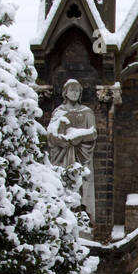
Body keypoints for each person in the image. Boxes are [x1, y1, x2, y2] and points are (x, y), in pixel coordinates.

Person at [47, 79, 97, 225]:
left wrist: (79, 136)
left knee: (82, 183)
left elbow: (92, 133)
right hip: (62, 156)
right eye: (71, 90)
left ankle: (81, 215)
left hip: (82, 156)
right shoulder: (59, 112)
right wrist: (63, 140)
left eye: (77, 91)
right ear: (65, 93)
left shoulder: (87, 112)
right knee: (64, 183)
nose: (74, 93)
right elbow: (51, 135)